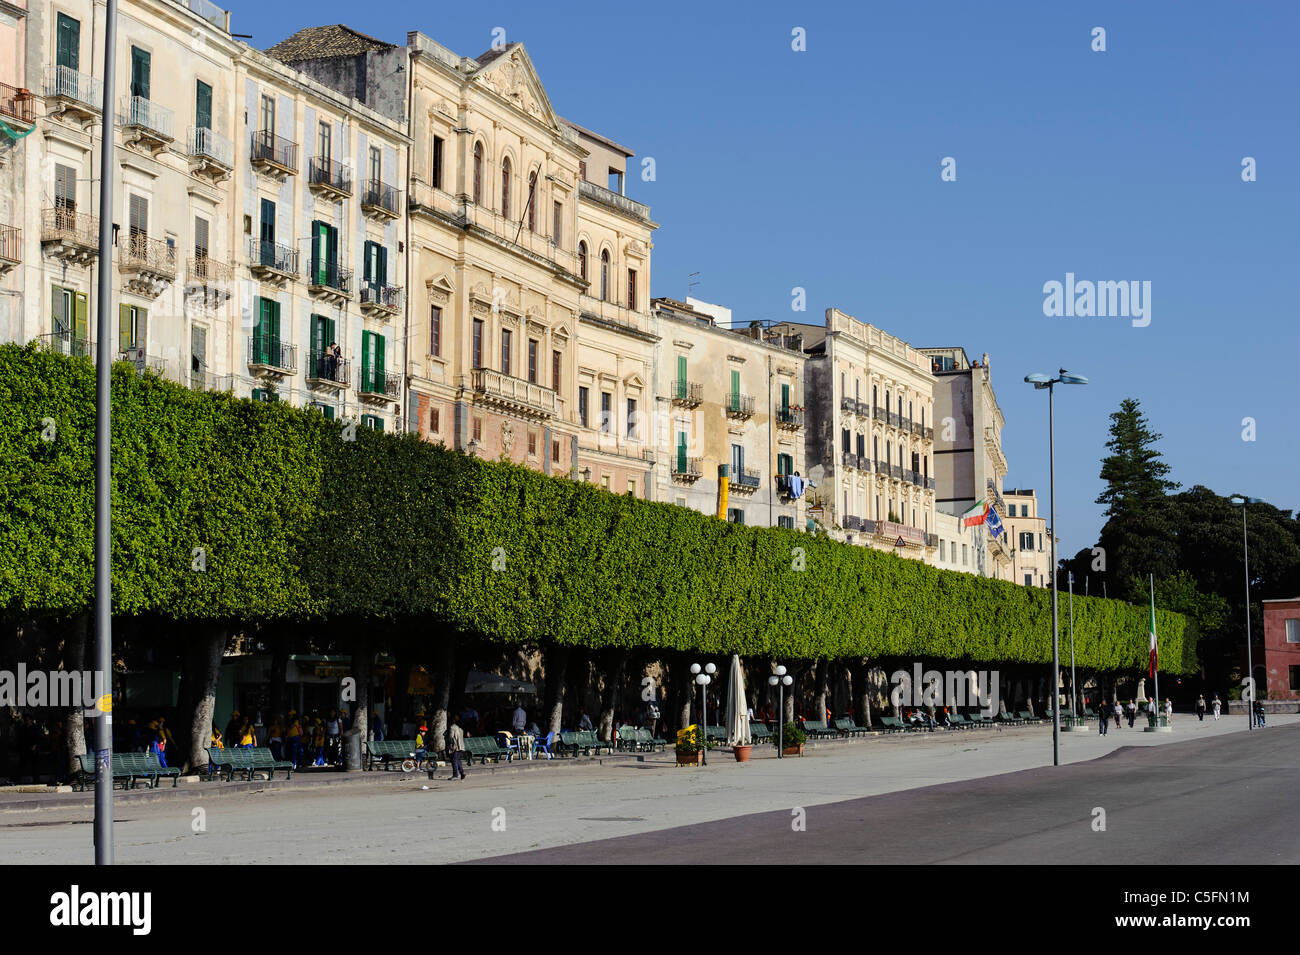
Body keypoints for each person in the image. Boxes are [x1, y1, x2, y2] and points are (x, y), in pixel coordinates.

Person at [446, 715, 467, 780]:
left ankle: (455, 775)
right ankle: (462, 772)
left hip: (455, 747)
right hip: (461, 746)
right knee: (456, 760)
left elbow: (451, 737)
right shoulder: (460, 728)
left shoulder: (452, 727)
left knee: (454, 761)